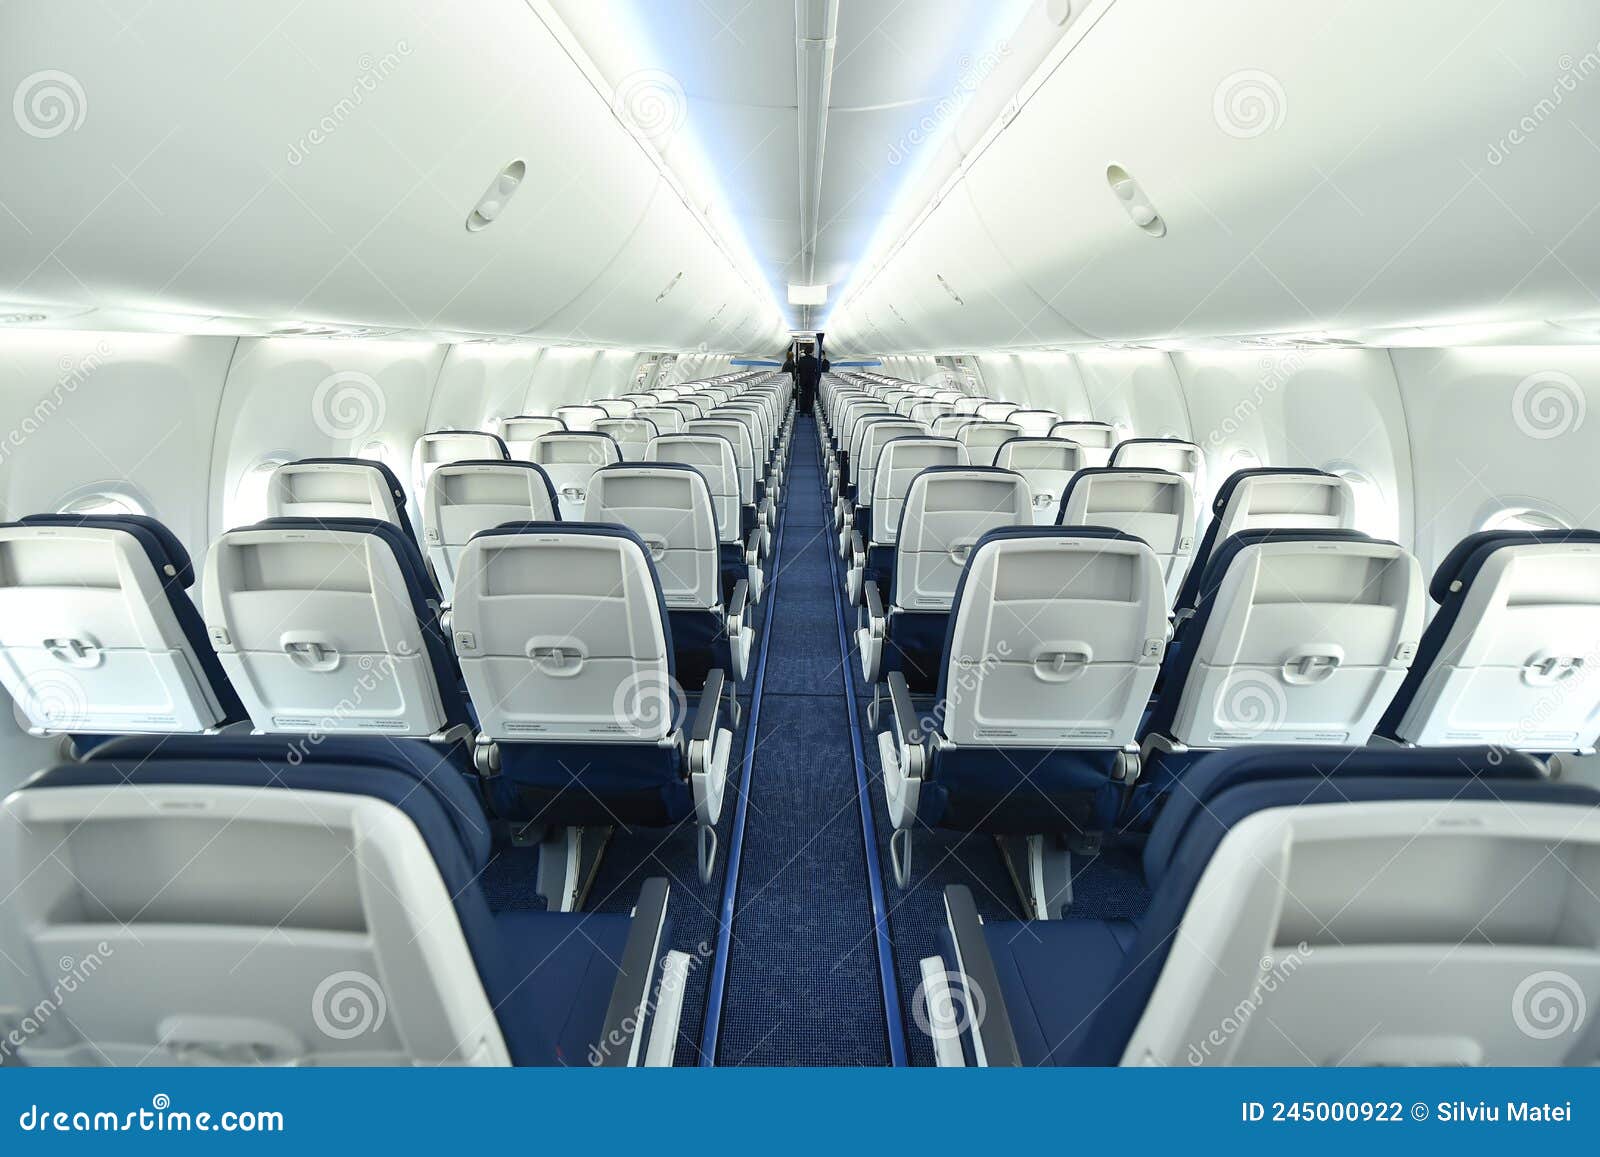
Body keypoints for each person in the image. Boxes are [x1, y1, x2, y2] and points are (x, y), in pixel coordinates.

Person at [794, 348, 820, 415]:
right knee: (810, 396)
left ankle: (802, 411)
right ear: (811, 352)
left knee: (803, 396)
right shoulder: (814, 360)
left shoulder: (801, 360)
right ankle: (809, 412)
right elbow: (817, 371)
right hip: (811, 380)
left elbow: (798, 371)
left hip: (803, 380)